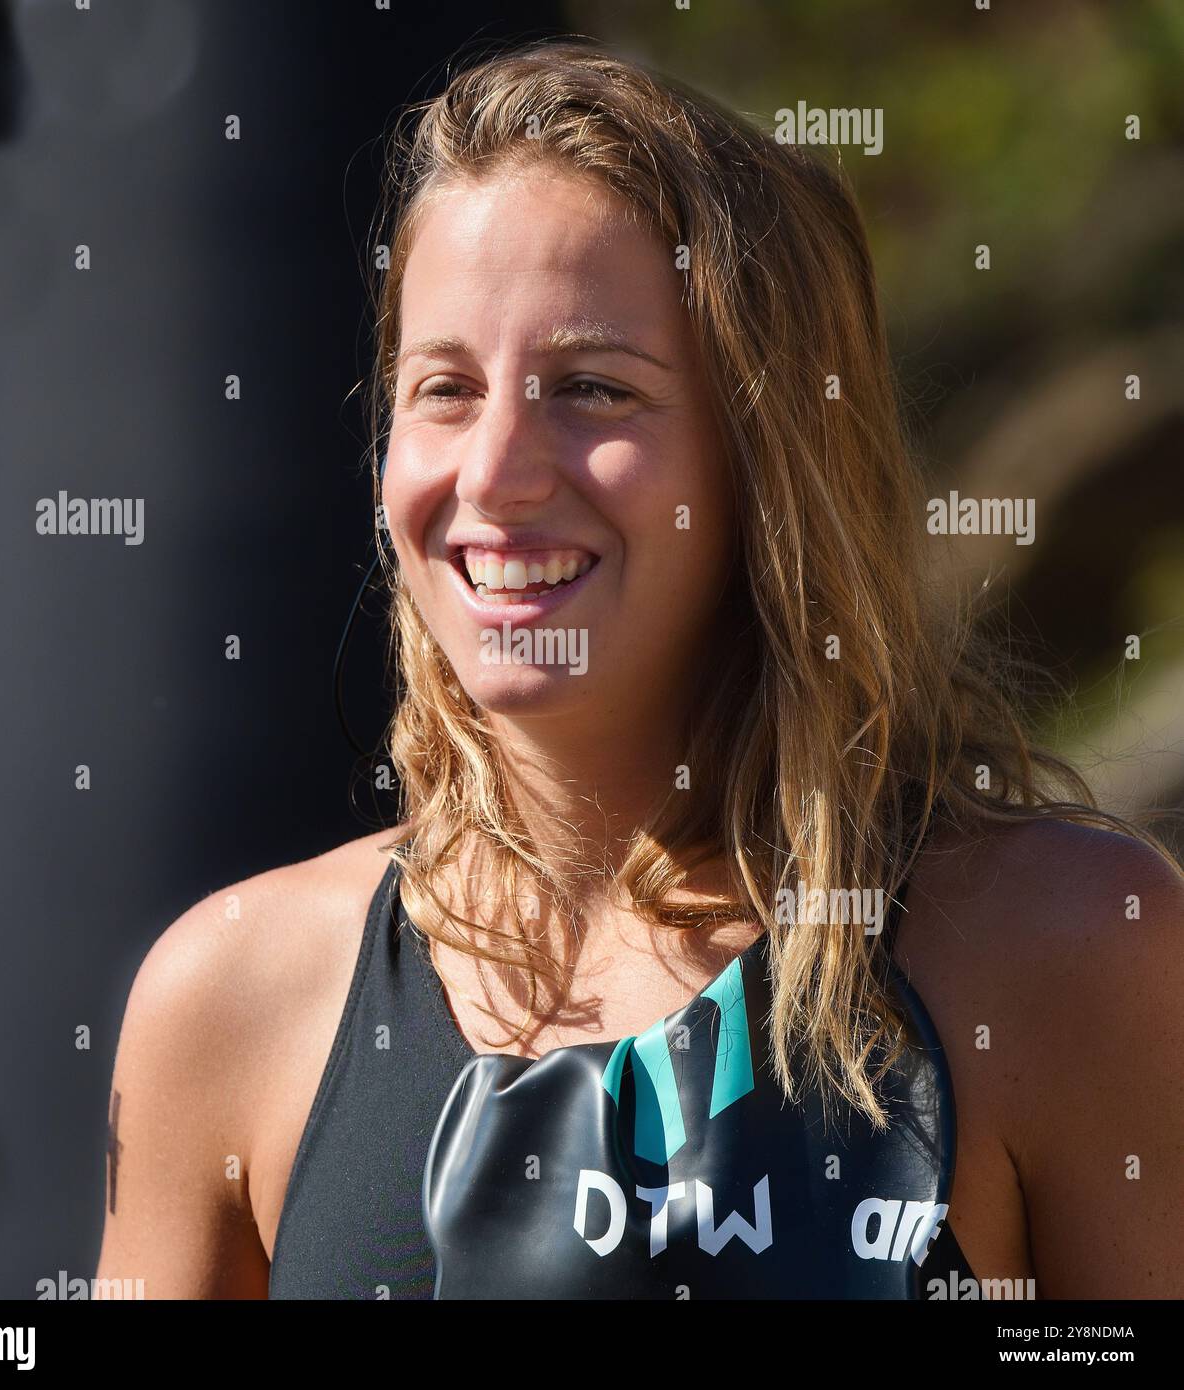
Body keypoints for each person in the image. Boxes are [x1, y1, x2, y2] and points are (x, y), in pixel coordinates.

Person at [95, 40, 1184, 1299]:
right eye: (443, 388)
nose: (495, 473)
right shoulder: (230, 998)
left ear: (766, 464)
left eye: (592, 390)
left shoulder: (1058, 949)